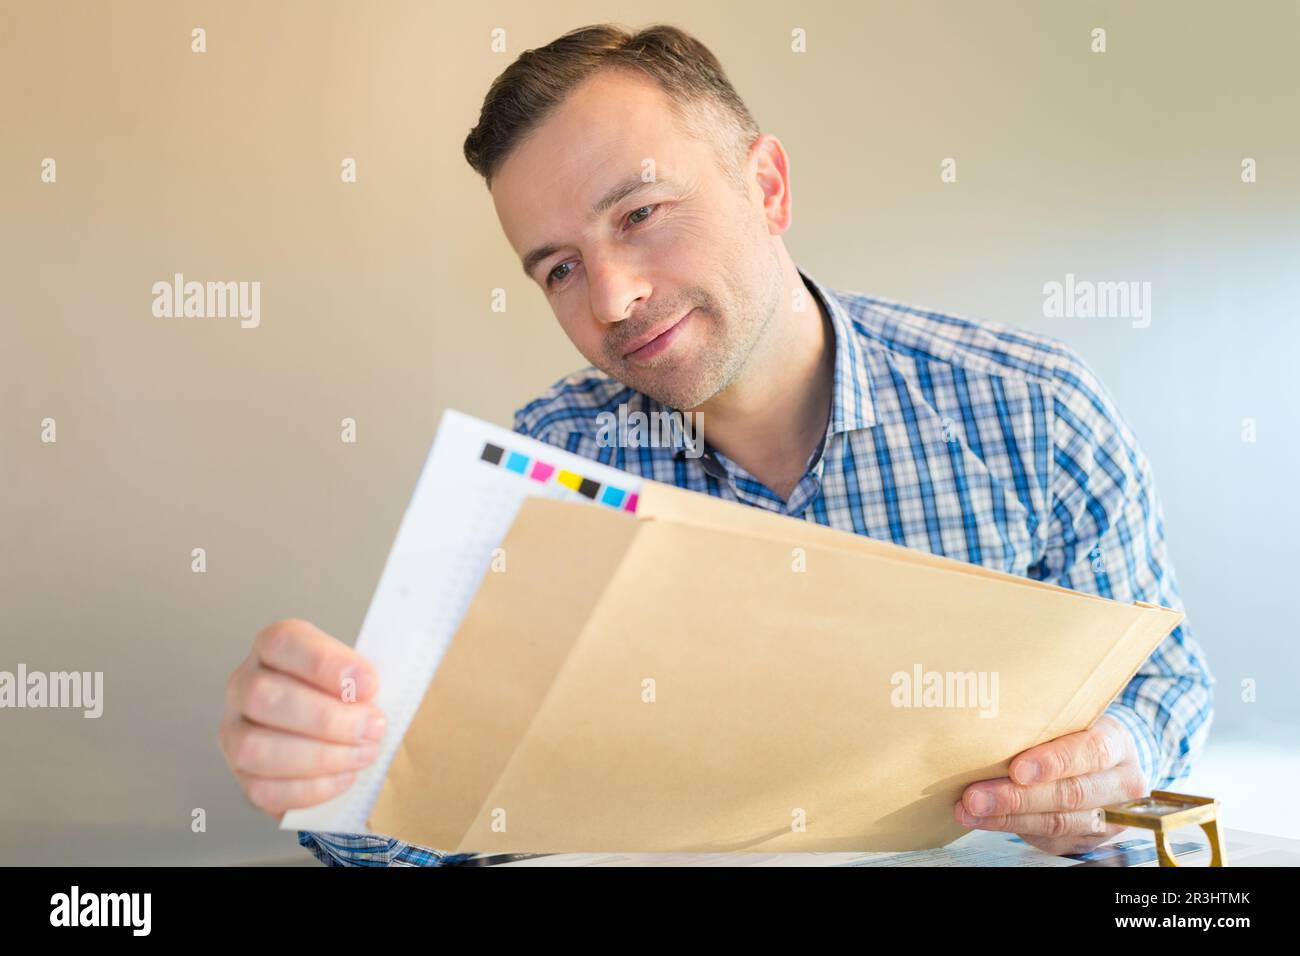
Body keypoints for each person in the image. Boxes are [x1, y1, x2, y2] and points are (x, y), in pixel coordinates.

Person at [217, 23, 1214, 866]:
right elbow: (451, 822)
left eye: (640, 214)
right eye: (558, 268)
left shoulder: (1034, 413)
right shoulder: (549, 472)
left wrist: (1118, 755)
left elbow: (1167, 685)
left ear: (767, 187)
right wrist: (334, 780)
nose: (610, 298)